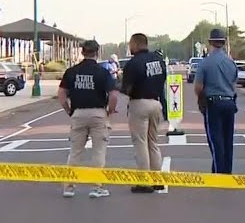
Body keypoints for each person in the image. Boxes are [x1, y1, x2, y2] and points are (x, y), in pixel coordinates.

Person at [57, 39, 118, 198]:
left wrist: (68, 110)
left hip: (78, 113)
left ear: (82, 52)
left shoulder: (71, 71)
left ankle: (69, 187)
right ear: (97, 53)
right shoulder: (102, 72)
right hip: (98, 113)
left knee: (75, 151)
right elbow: (113, 95)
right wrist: (109, 111)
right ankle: (96, 186)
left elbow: (62, 94)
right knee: (98, 151)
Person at [120, 33, 168, 193]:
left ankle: (144, 181)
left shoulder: (133, 64)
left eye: (130, 44)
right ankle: (157, 179)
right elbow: (163, 81)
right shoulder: (158, 60)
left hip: (139, 103)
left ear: (135, 44)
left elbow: (127, 89)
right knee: (153, 142)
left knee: (140, 143)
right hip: (156, 102)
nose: (129, 47)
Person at [194, 27, 239, 174]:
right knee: (227, 140)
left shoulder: (205, 63)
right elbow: (234, 85)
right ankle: (227, 170)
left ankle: (219, 173)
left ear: (210, 43)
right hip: (229, 103)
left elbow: (198, 87)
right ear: (224, 43)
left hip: (214, 104)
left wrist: (202, 98)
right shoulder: (231, 63)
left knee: (216, 141)